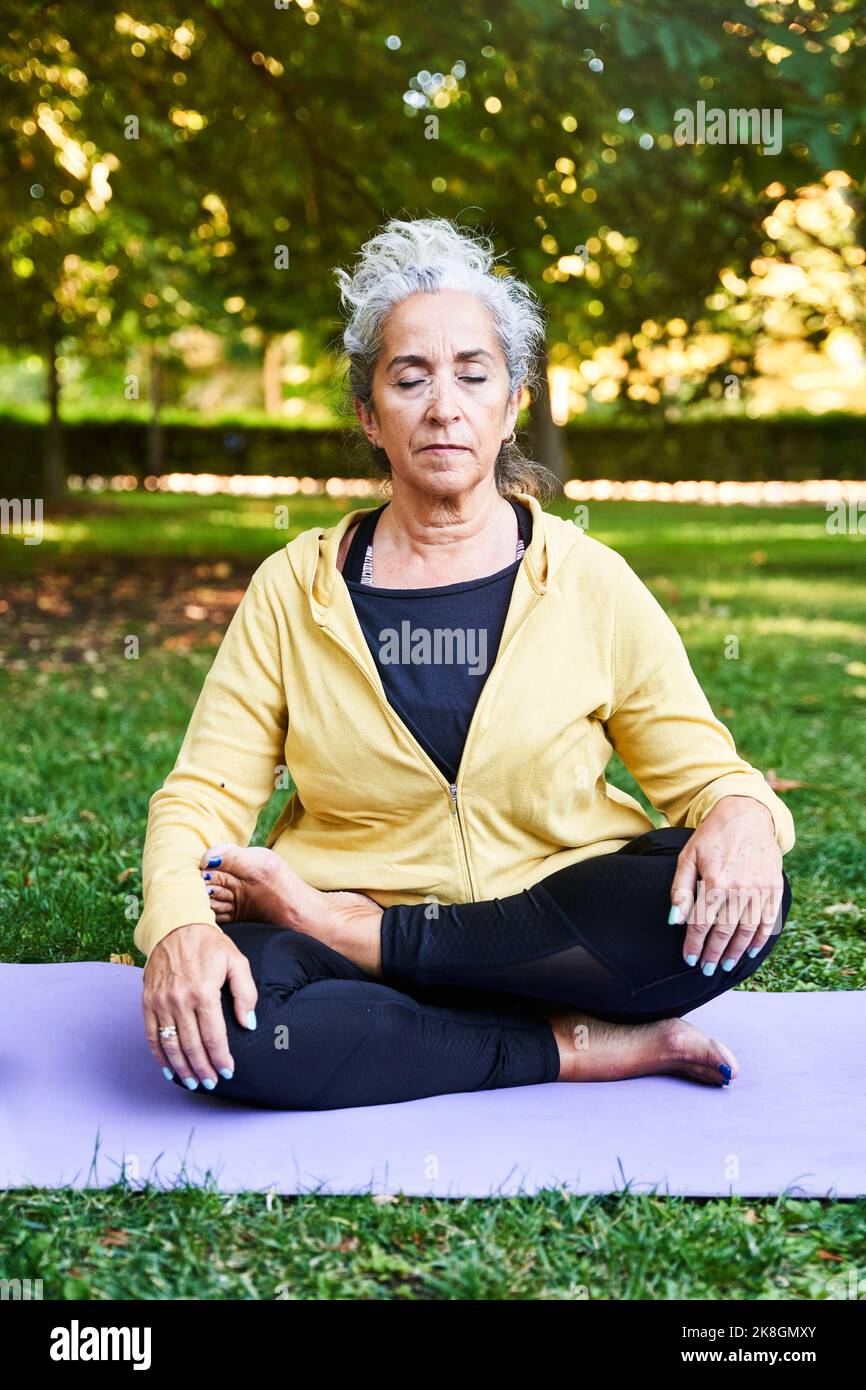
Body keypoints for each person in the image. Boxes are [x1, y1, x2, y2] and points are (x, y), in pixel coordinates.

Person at [136, 217, 795, 1110]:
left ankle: (387, 956)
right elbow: (202, 795)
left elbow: (706, 778)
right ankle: (575, 1050)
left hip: (550, 936)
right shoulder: (293, 588)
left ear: (512, 401)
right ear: (370, 415)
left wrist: (748, 817)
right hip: (356, 934)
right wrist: (179, 924)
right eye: (410, 378)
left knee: (720, 898)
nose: (444, 404)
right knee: (234, 1027)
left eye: (472, 375)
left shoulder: (590, 580)